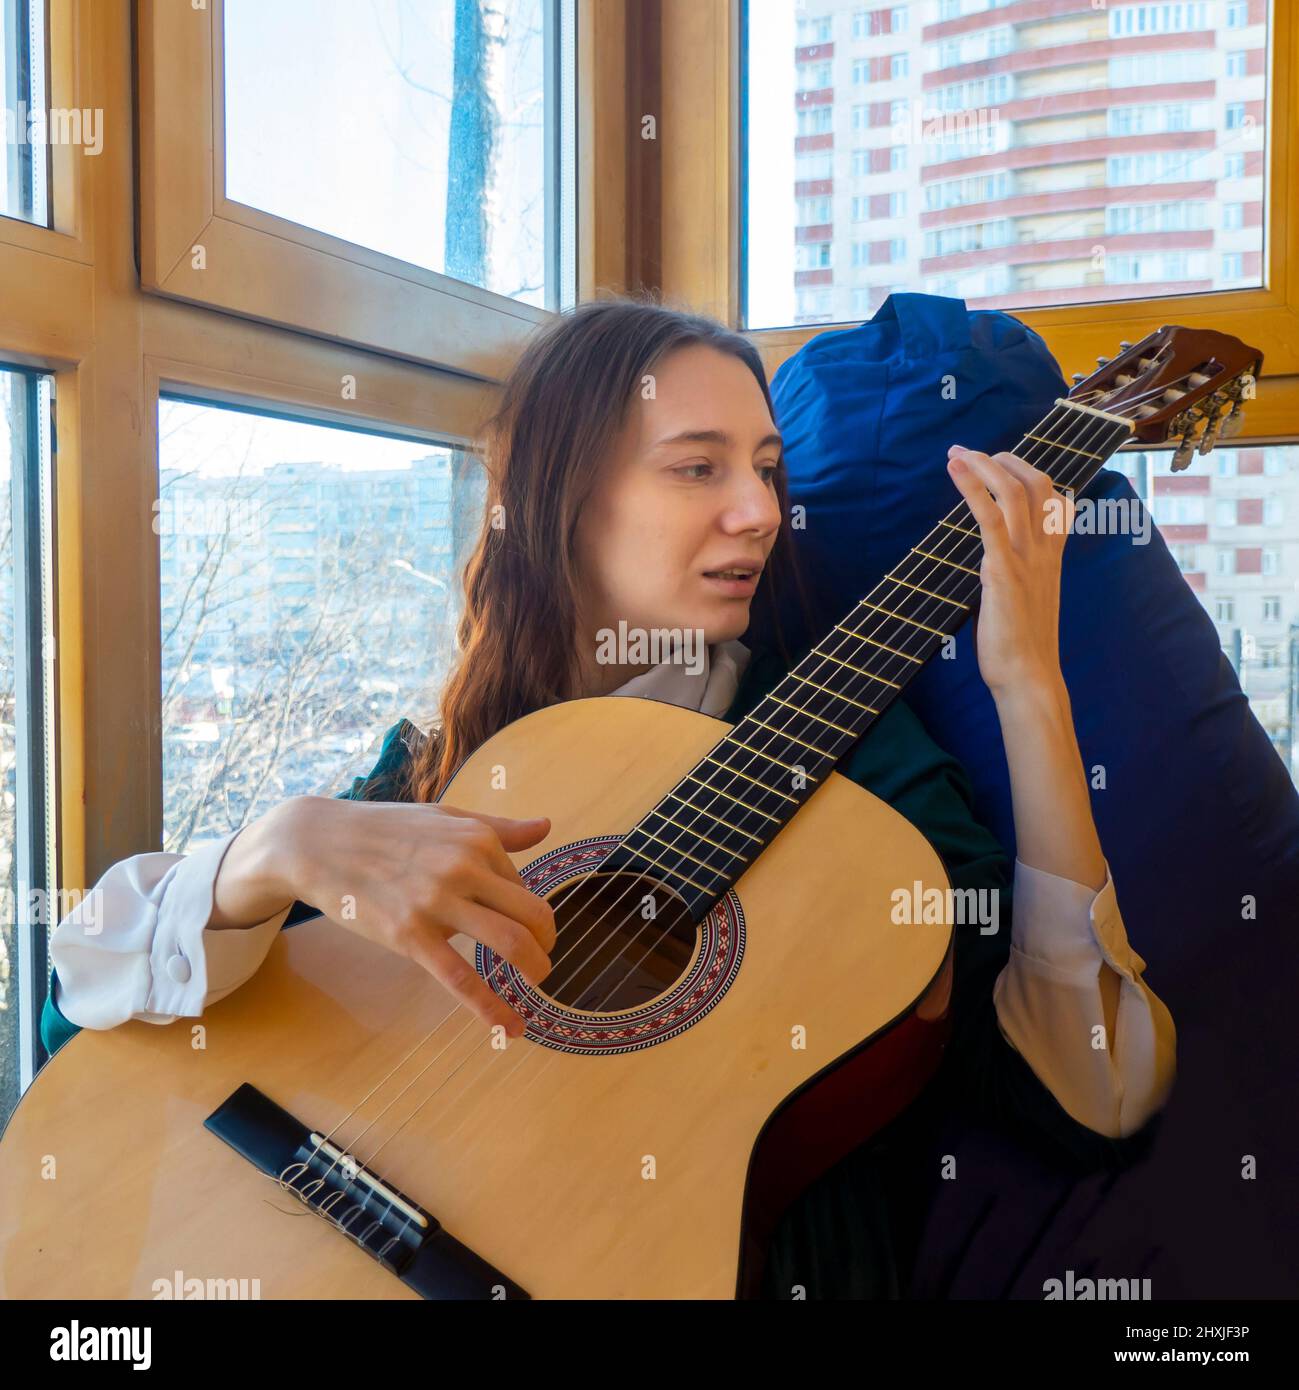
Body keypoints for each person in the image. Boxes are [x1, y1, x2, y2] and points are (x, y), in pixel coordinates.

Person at [42, 296, 1176, 1299]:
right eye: (699, 467)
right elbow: (85, 1015)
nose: (760, 511)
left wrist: (1030, 687)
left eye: (769, 468)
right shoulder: (448, 763)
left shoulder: (867, 772)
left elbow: (1096, 1090)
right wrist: (273, 850)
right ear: (564, 498)